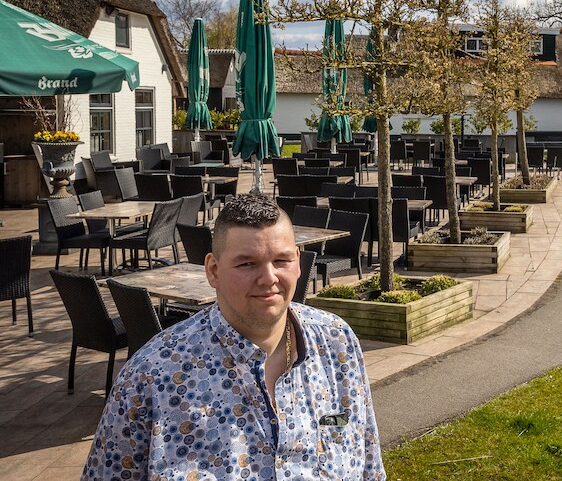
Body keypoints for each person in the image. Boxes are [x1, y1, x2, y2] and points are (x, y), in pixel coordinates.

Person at [83, 194, 385, 479]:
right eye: (247, 263)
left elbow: (369, 467)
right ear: (213, 270)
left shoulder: (337, 343)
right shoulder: (151, 375)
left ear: (297, 261)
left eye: (281, 261)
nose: (269, 278)